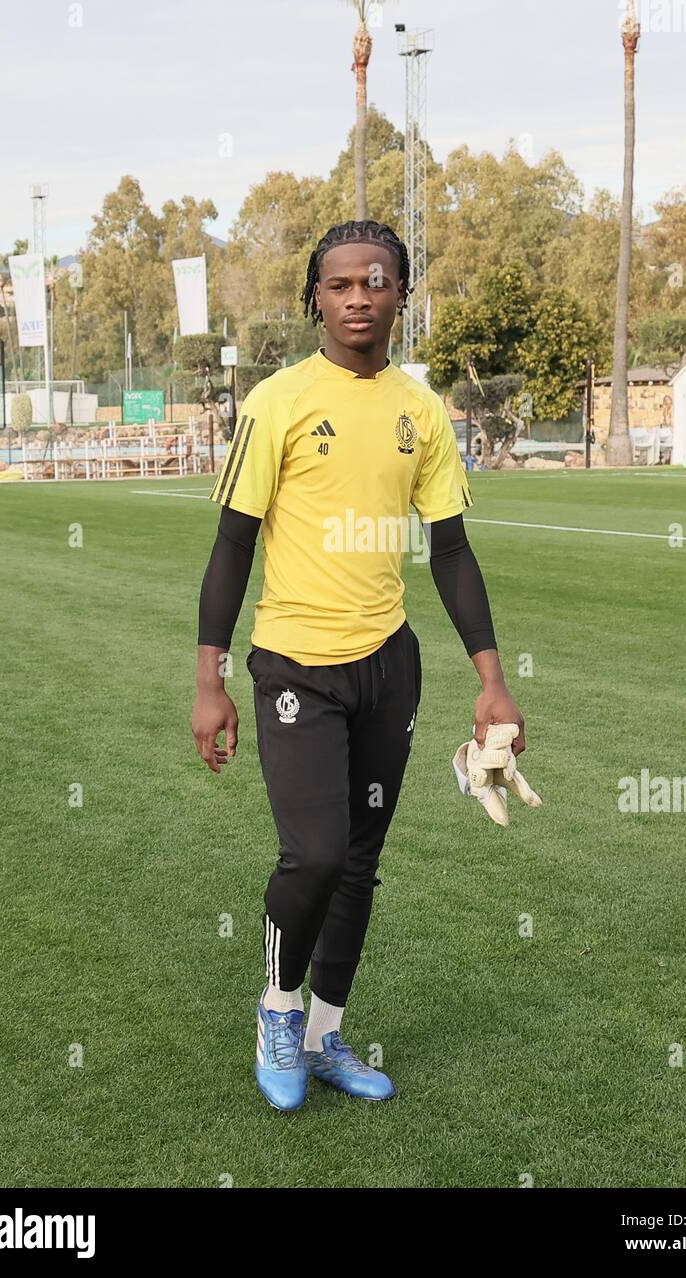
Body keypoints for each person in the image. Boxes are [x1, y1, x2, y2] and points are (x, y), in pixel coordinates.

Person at [191, 219, 526, 1112]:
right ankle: (277, 1010)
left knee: (360, 861)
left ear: (399, 296)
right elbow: (231, 546)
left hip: (389, 667)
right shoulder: (278, 403)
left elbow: (451, 552)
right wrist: (207, 682)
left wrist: (491, 679)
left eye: (376, 281)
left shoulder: (421, 411)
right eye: (339, 284)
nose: (357, 297)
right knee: (315, 855)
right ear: (315, 298)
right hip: (295, 667)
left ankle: (325, 1036)